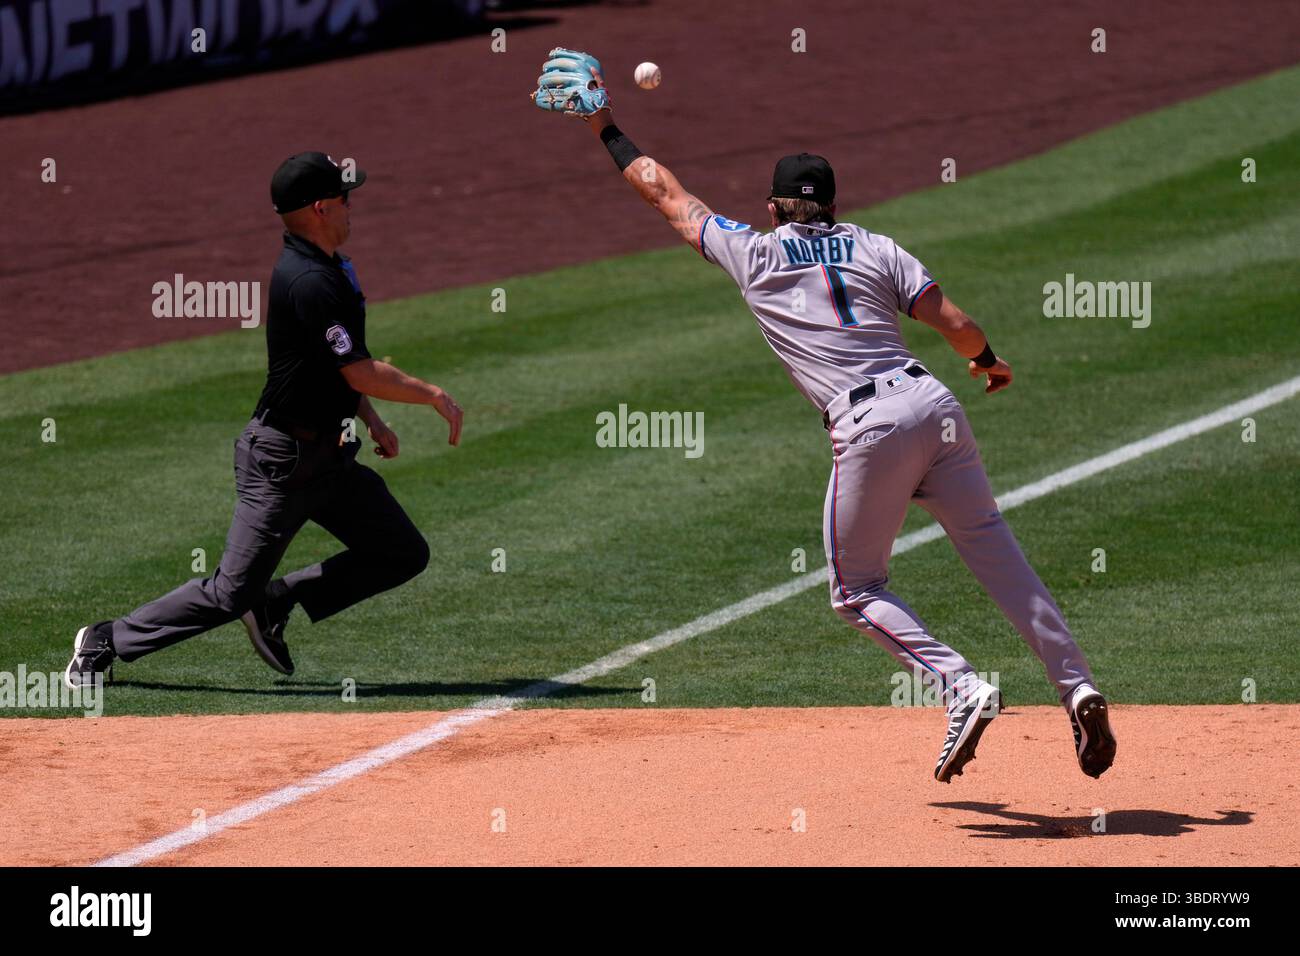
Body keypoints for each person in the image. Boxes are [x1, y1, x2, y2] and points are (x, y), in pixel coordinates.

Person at [534, 49, 1115, 782]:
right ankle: (1079, 688)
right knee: (997, 554)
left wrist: (603, 124)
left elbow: (667, 196)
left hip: (868, 427)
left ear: (775, 207)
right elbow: (958, 324)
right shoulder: (876, 247)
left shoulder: (754, 253)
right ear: (833, 203)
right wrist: (989, 359)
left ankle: (961, 685)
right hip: (934, 405)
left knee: (857, 589)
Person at [64, 152, 463, 687]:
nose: (352, 207)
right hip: (281, 462)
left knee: (401, 552)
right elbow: (359, 370)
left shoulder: (329, 268)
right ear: (321, 207)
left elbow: (337, 371)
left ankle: (279, 600)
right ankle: (105, 639)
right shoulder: (309, 281)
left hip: (329, 457)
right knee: (231, 593)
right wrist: (432, 394)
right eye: (346, 197)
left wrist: (369, 419)